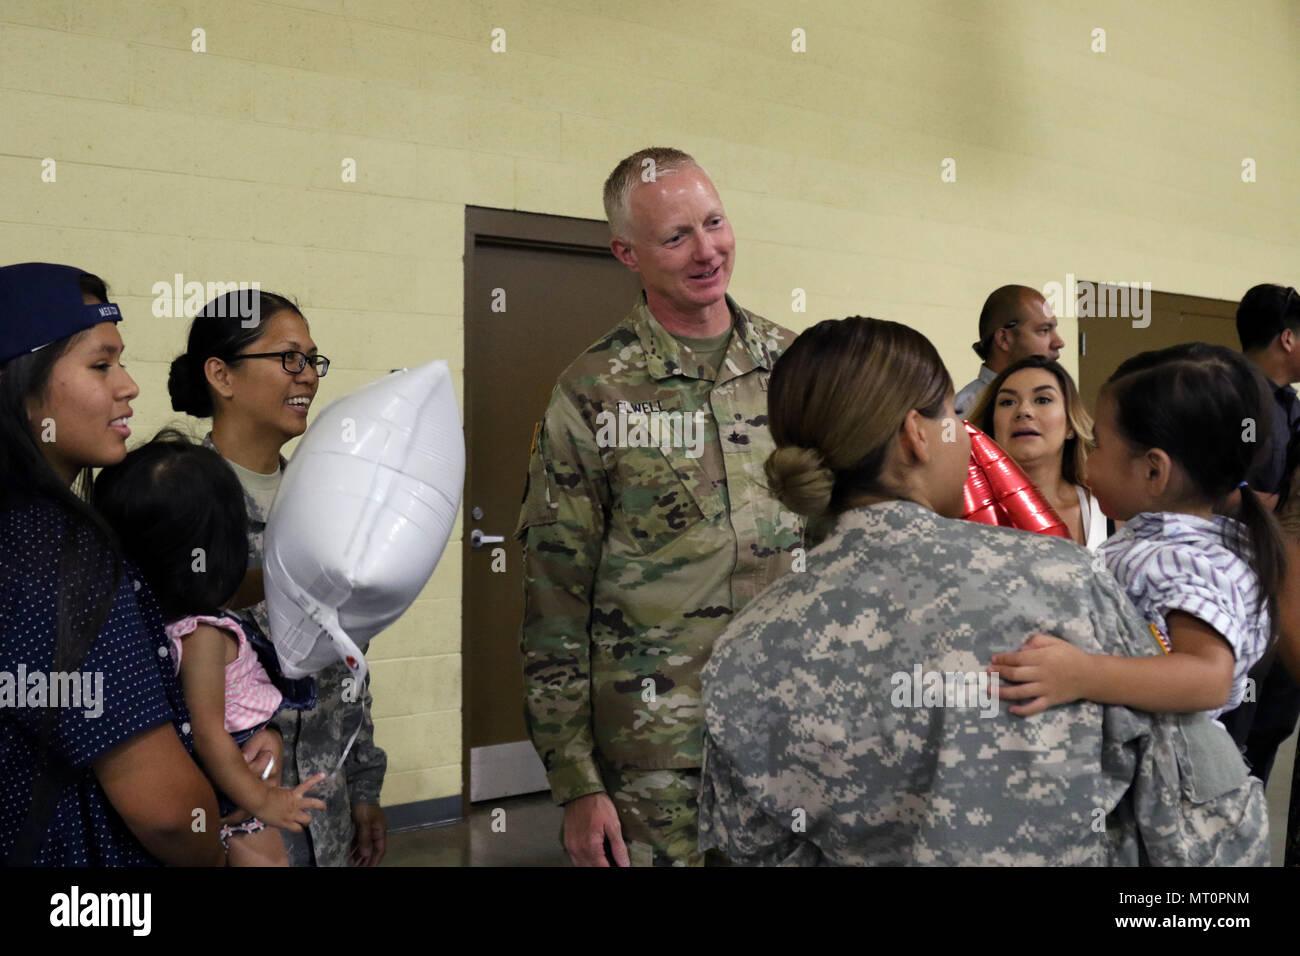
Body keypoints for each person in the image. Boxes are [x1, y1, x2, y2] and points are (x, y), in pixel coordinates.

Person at [698, 315, 1267, 866]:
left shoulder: (744, 648)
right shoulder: (1062, 582)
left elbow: (753, 848)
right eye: (952, 413)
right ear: (916, 436)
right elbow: (1196, 816)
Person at [515, 147, 804, 867]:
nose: (708, 250)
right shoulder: (592, 393)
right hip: (657, 756)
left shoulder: (797, 367)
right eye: (677, 237)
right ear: (628, 253)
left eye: (715, 223)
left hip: (793, 731)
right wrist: (576, 782)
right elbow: (554, 598)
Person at [0, 262, 274, 866]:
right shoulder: (62, 556)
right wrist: (229, 851)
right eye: (101, 365)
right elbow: (169, 814)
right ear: (22, 384)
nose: (129, 386)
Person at [168, 289, 388, 867]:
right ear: (222, 374)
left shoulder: (321, 502)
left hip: (325, 809)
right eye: (289, 357)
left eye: (314, 359)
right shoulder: (176, 503)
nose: (309, 376)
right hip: (235, 824)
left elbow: (351, 660)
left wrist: (363, 786)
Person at [990, 344, 1284, 732]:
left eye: (1097, 444)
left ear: (1153, 472)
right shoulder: (1156, 542)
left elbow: (1208, 678)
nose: (1088, 457)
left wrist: (1083, 673)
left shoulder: (1181, 558)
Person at [95, 432, 327, 865]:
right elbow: (207, 731)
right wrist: (260, 798)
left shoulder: (152, 619)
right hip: (230, 774)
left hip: (238, 760)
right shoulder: (203, 636)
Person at [1220, 284, 1300, 783]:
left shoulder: (1288, 402)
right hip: (1238, 583)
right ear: (1287, 339)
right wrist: (1257, 503)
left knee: (1270, 725)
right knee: (1234, 727)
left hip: (1280, 582)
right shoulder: (1228, 391)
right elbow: (1217, 492)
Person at [967, 356, 1108, 550]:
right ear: (991, 428)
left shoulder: (1108, 511)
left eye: (1043, 400)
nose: (1024, 411)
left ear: (1070, 425)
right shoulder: (963, 512)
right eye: (1007, 402)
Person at [954, 285, 1064, 418]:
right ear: (1004, 339)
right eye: (1044, 330)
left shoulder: (1059, 400)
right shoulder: (965, 416)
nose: (1059, 343)